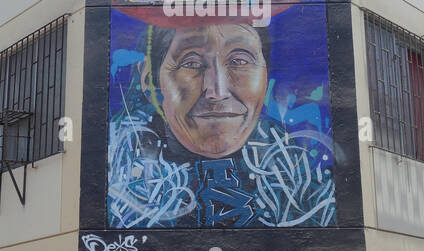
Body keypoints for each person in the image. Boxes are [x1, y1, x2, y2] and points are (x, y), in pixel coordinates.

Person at [108, 19, 335, 229]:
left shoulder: (301, 184)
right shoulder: (117, 194)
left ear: (265, 76)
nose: (217, 91)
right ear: (150, 79)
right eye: (191, 62)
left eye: (239, 61)